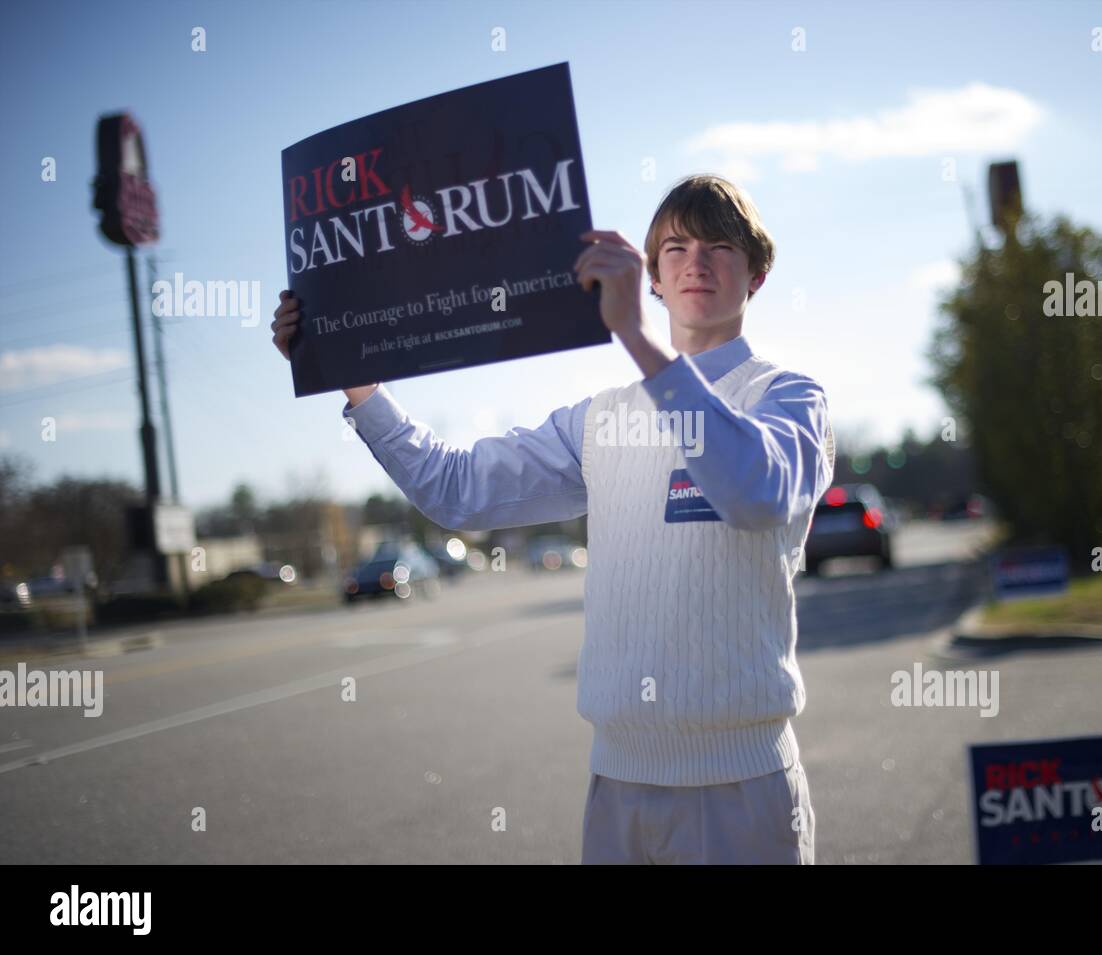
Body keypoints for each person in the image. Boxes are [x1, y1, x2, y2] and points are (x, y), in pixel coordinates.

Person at [272, 173, 834, 864]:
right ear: (653, 276)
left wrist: (631, 334)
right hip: (618, 786)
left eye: (720, 246)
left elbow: (753, 490)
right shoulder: (602, 419)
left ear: (758, 273)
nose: (696, 262)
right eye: (676, 247)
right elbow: (456, 489)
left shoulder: (788, 398)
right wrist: (354, 375)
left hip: (741, 791)